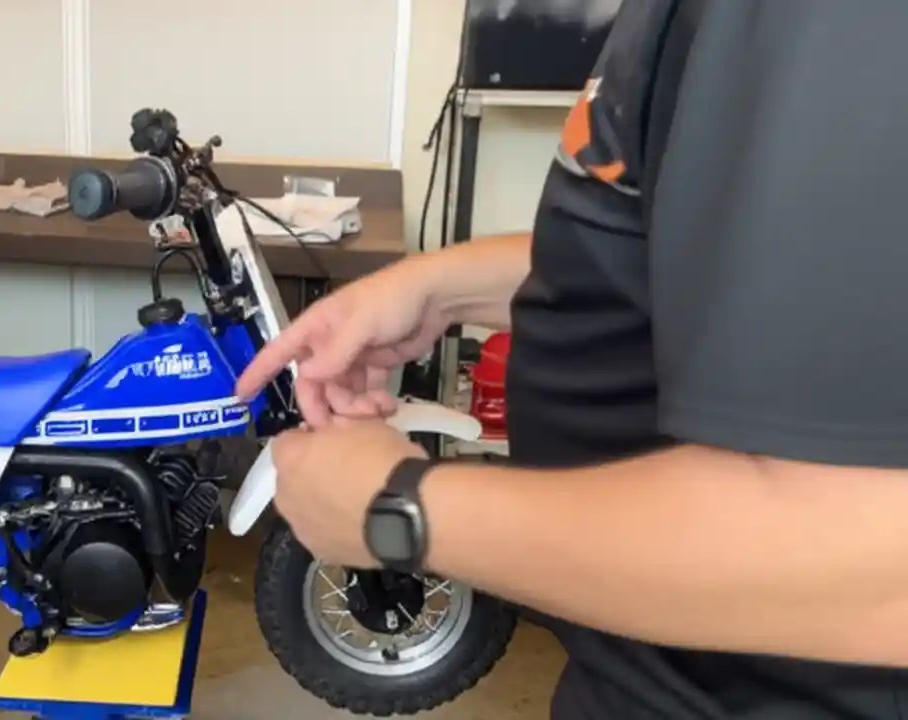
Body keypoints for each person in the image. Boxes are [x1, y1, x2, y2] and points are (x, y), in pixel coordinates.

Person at [234, 1, 908, 718]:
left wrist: (398, 509)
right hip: (646, 673)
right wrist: (435, 289)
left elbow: (875, 571)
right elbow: (700, 252)